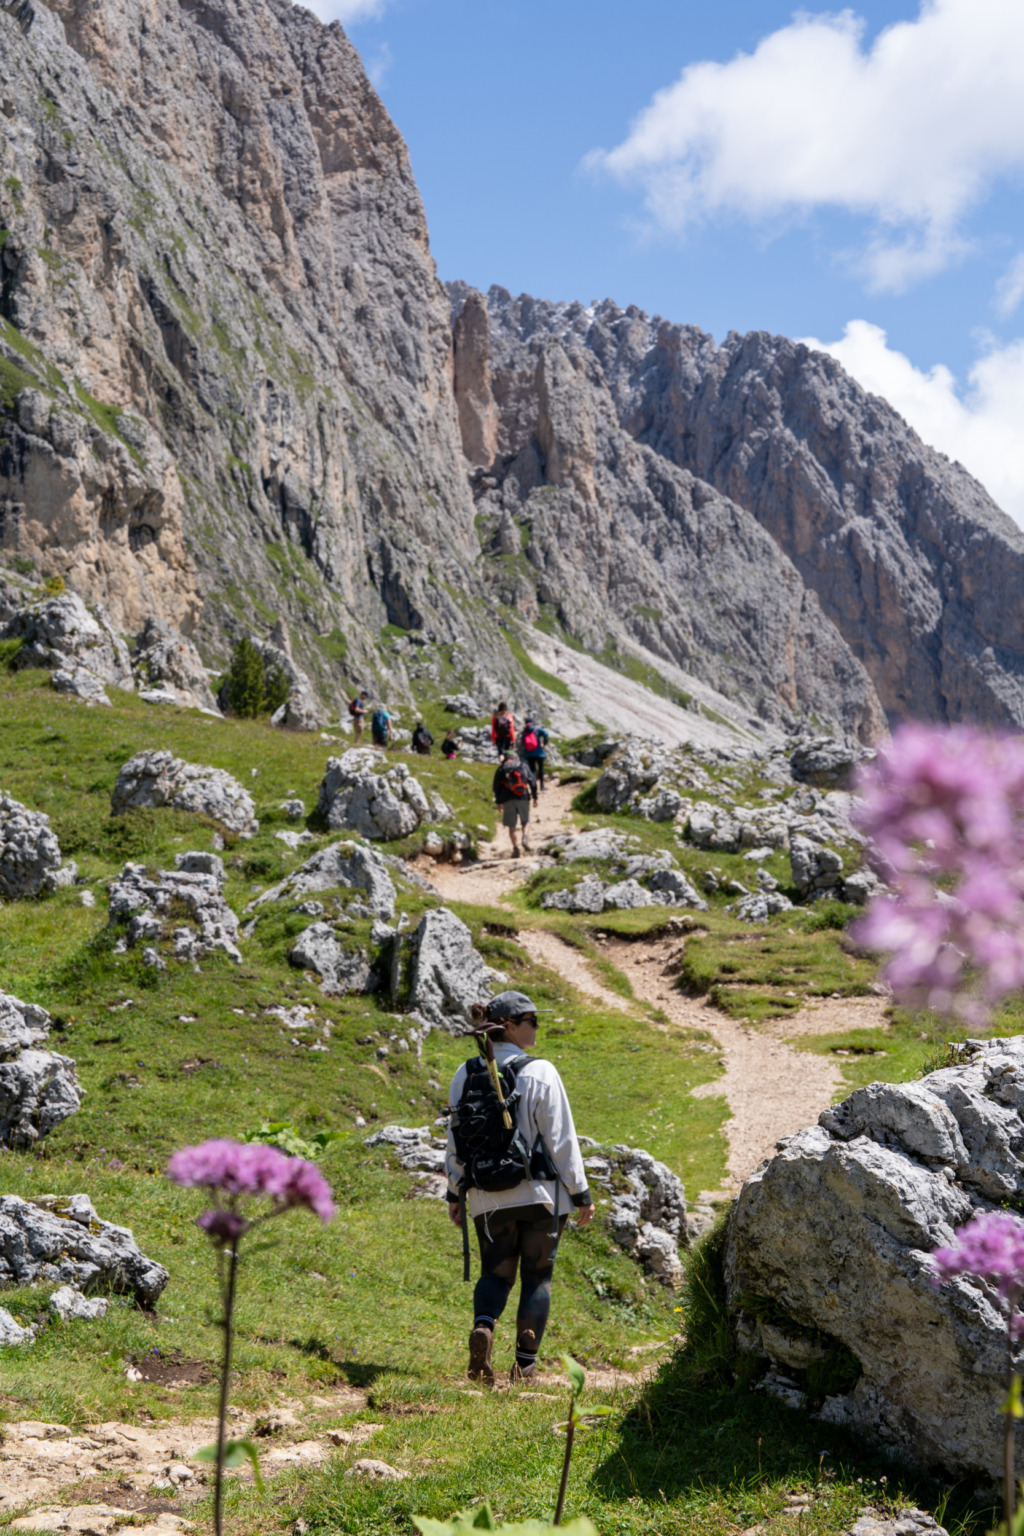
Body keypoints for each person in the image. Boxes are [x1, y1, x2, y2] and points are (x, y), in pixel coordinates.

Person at [445, 990, 594, 1385]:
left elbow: (455, 1139)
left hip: (486, 1196)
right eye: (531, 1020)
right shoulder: (541, 1071)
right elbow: (561, 1138)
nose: (537, 1026)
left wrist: (454, 1191)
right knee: (537, 1276)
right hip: (541, 1194)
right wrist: (581, 1193)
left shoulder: (465, 1074)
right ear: (508, 1026)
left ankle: (484, 1327)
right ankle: (524, 1368)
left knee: (495, 1274)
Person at [493, 751, 536, 858]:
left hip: (507, 799)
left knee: (512, 826)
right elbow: (533, 782)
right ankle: (525, 837)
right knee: (525, 821)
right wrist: (535, 797)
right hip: (523, 797)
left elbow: (496, 787)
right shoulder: (523, 765)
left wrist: (499, 802)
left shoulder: (502, 768)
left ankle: (516, 849)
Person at [520, 717, 550, 791]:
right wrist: (544, 743)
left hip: (529, 754)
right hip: (539, 753)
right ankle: (542, 786)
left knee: (532, 770)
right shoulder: (537, 729)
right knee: (541, 769)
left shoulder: (524, 731)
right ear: (532, 722)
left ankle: (534, 787)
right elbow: (546, 734)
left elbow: (523, 742)